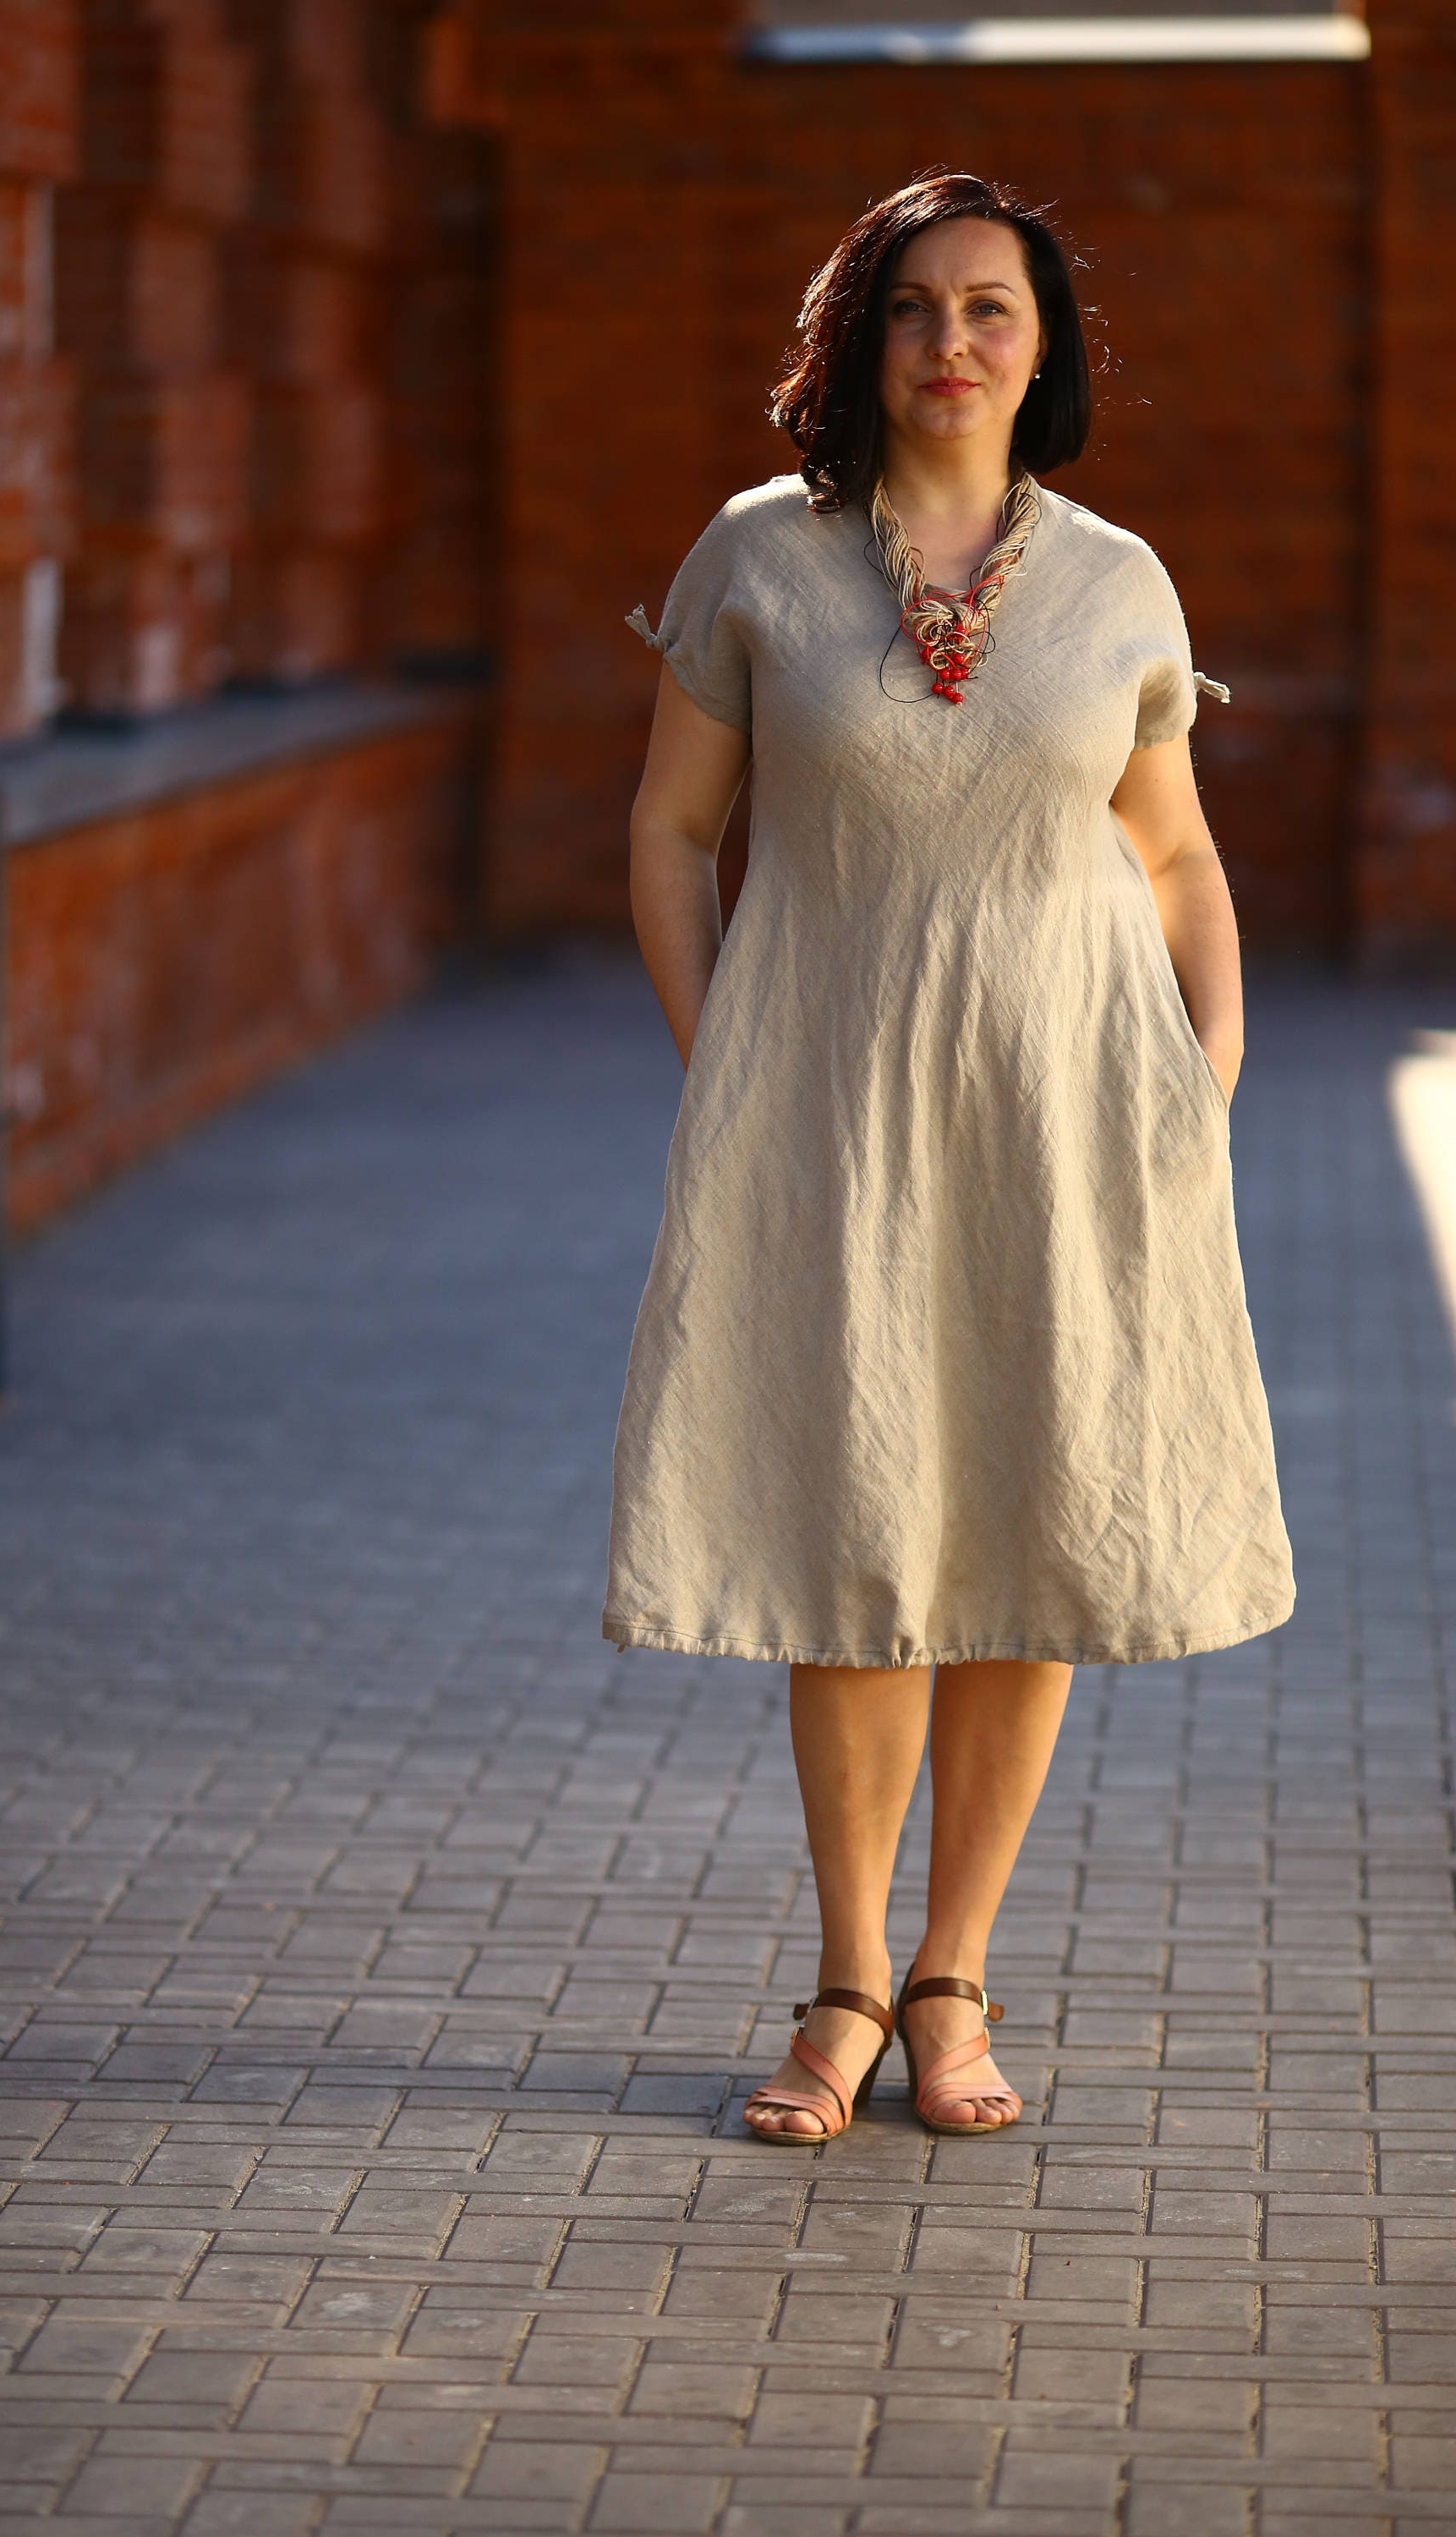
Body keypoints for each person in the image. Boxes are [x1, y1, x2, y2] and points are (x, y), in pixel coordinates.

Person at [601, 171, 1295, 2142]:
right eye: (915, 308)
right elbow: (667, 834)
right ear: (860, 338)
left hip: (1071, 1119)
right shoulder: (758, 557)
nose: (954, 343)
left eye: (993, 308)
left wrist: (1208, 1065)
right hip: (826, 1119)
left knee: (1026, 1533)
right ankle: (838, 1982)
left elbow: (1168, 854)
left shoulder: (1118, 583)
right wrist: (719, 1053)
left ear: (1044, 345)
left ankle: (952, 1982)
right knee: (857, 1540)